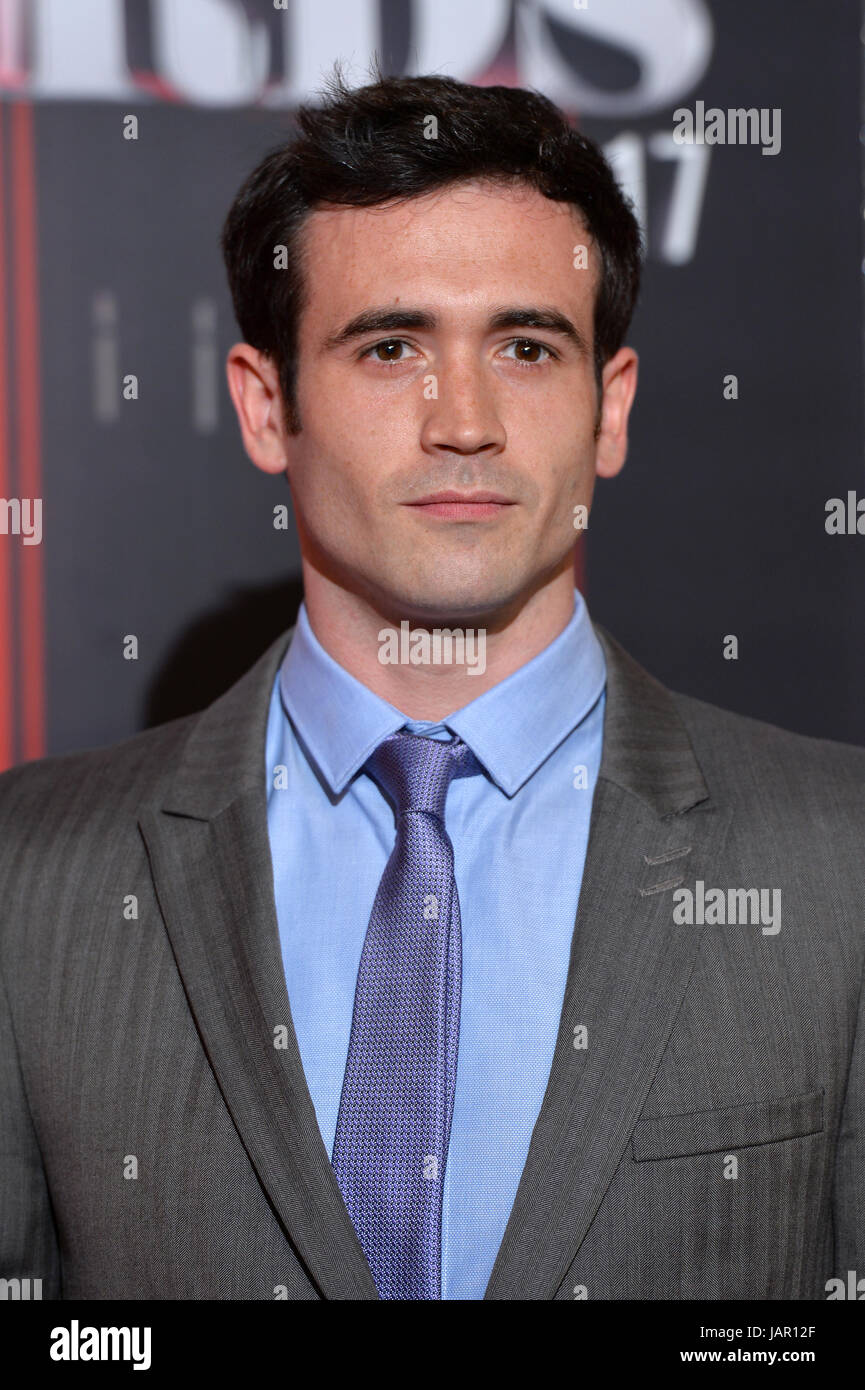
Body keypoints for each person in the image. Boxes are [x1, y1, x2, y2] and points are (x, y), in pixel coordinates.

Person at [1, 72, 863, 1303]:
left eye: (523, 346)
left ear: (608, 408)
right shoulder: (28, 882)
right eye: (390, 345)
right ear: (264, 404)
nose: (462, 420)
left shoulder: (839, 866)